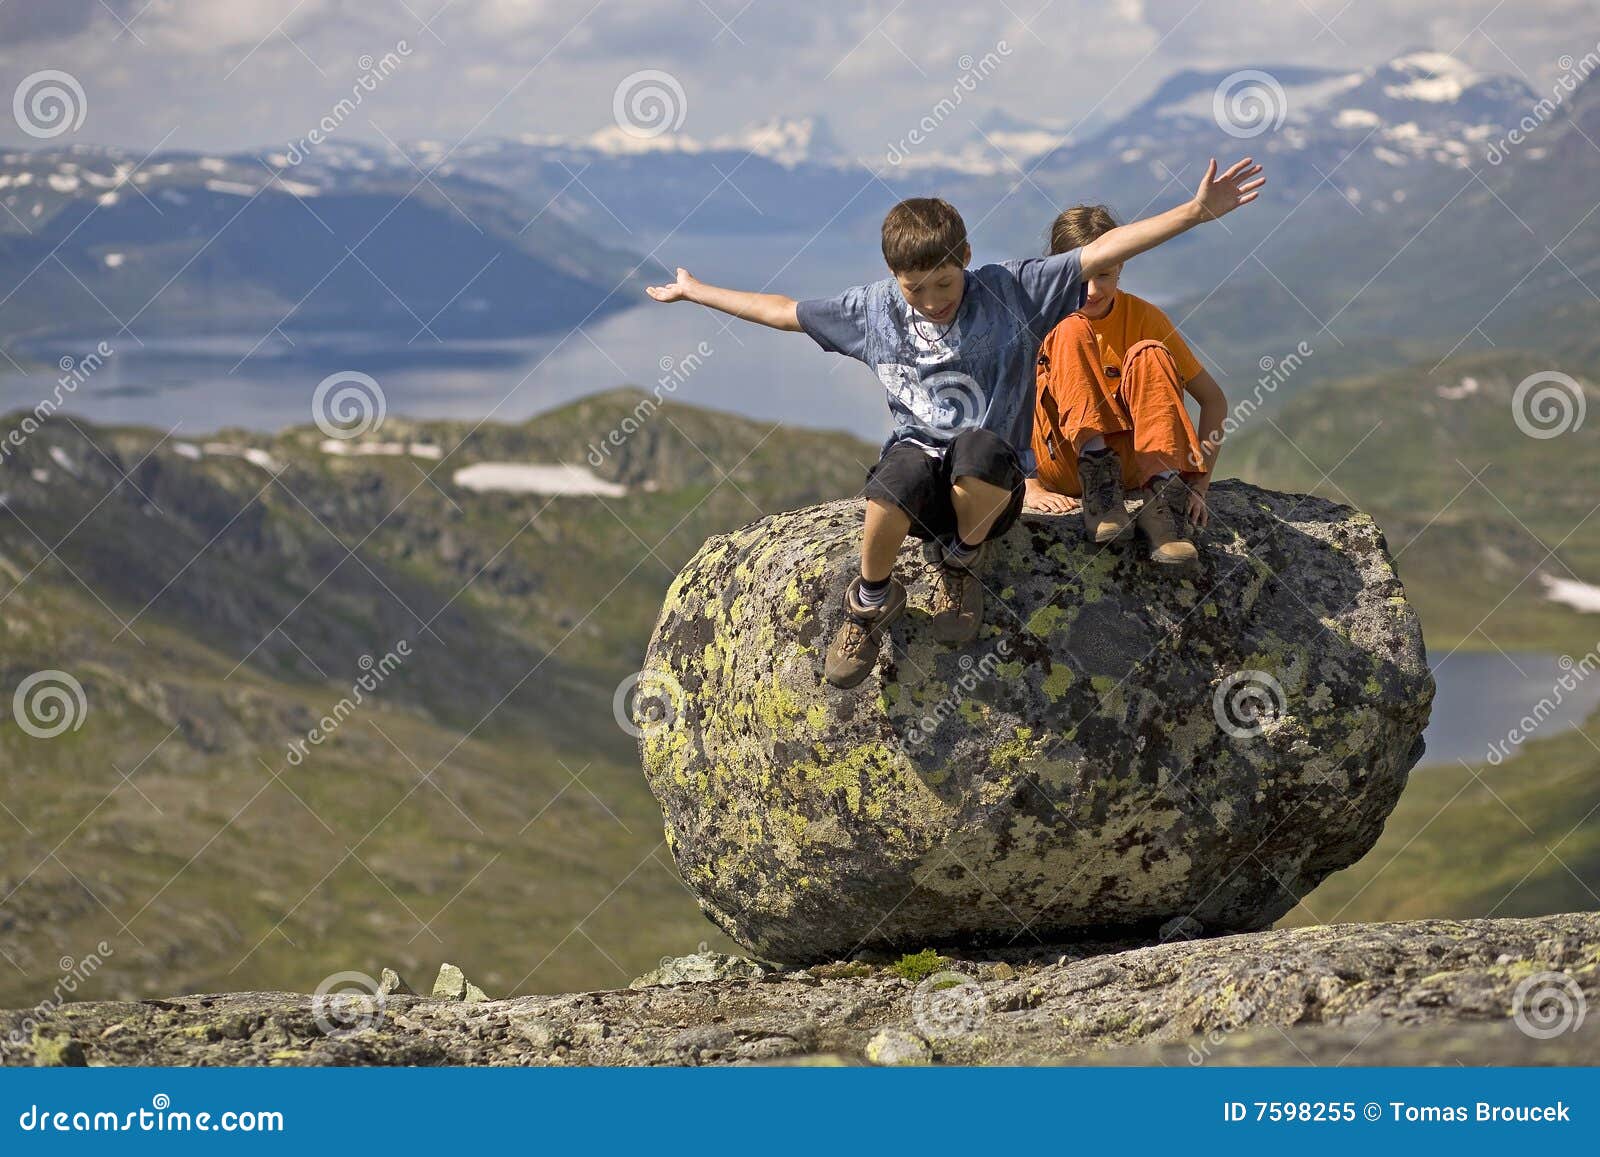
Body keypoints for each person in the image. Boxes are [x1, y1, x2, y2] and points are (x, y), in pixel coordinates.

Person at [646, 157, 1264, 687]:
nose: (934, 300)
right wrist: (699, 292)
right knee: (897, 474)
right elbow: (783, 311)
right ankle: (869, 601)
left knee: (977, 449)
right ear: (894, 278)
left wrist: (1195, 212)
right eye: (916, 289)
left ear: (966, 257)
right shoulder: (872, 312)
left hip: (990, 484)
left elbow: (1103, 251)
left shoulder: (1010, 290)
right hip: (925, 480)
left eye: (944, 282)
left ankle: (964, 564)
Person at [1026, 205, 1231, 567]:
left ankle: (1164, 501)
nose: (1092, 290)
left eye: (1104, 274)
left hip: (1136, 470)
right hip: (1065, 465)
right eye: (1083, 275)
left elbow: (1213, 401)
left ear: (1122, 266)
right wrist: (1024, 484)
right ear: (1057, 268)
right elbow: (998, 400)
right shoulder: (1038, 318)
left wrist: (1199, 485)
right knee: (1070, 328)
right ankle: (1098, 482)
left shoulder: (1145, 318)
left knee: (1151, 352)